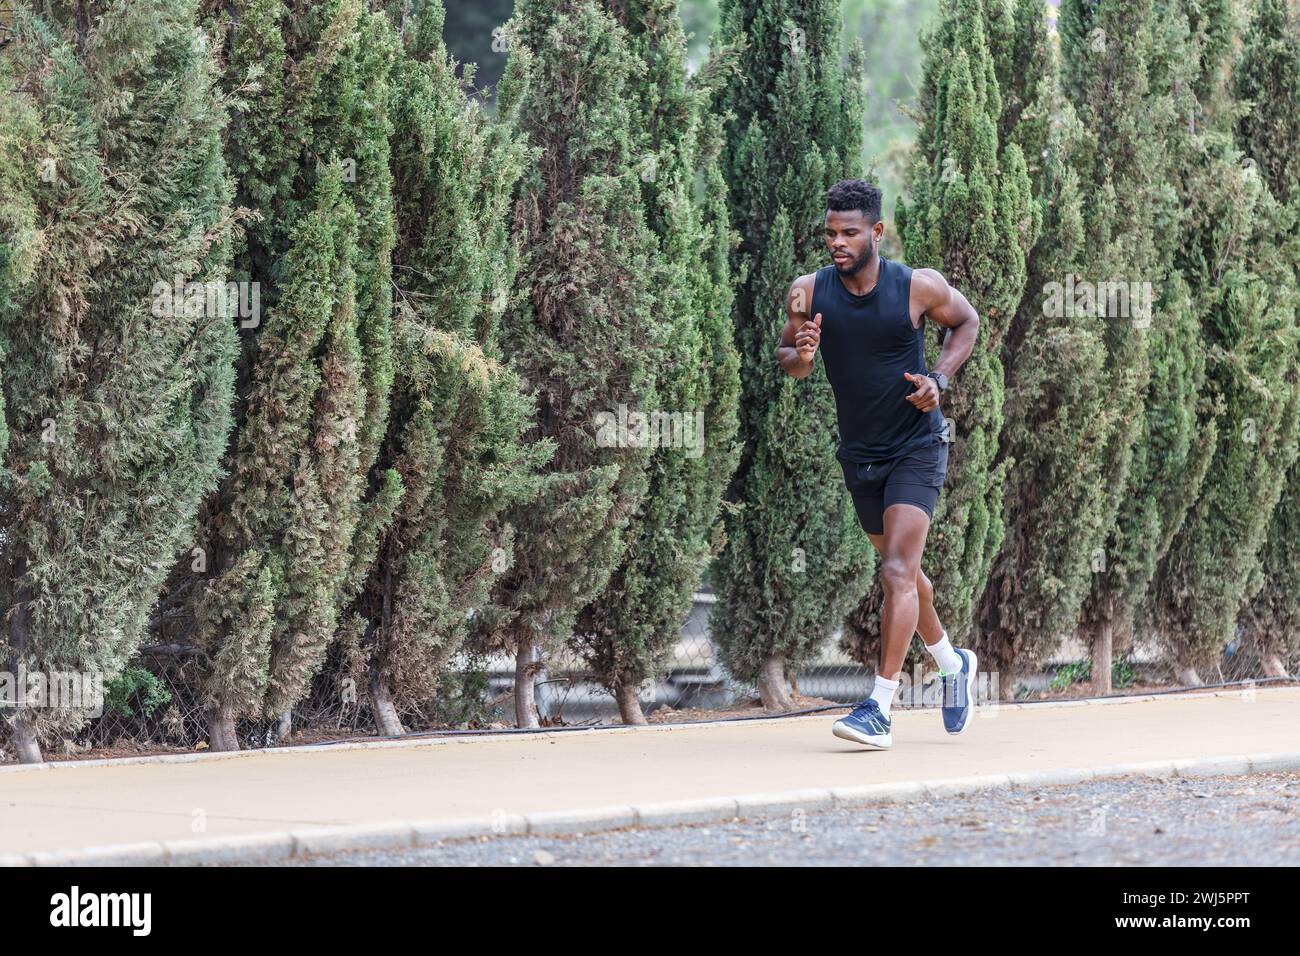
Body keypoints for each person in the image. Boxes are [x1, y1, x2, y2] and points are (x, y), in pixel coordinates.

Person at [775, 179, 980, 749]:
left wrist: (938, 380)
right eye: (830, 233)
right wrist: (805, 355)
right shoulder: (806, 291)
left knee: (894, 570)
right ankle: (952, 663)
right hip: (860, 455)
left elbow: (967, 322)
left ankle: (879, 707)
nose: (837, 243)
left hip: (917, 445)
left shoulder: (917, 287)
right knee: (906, 574)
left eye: (849, 233)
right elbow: (787, 356)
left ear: (876, 233)